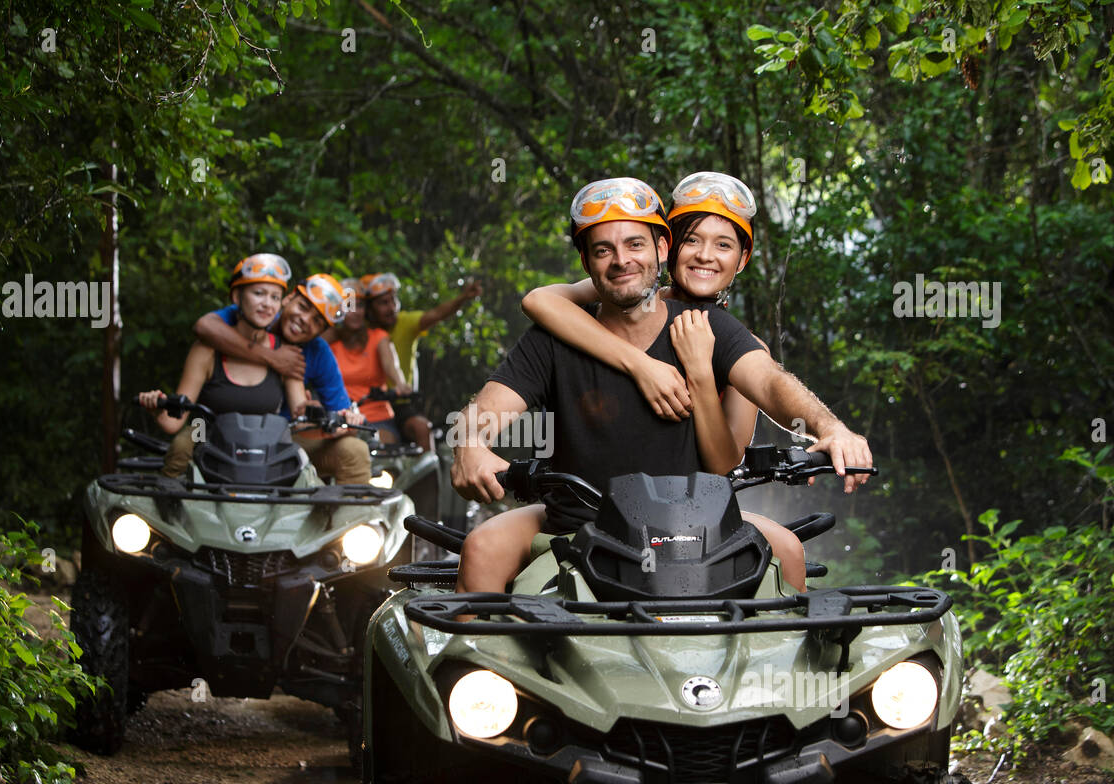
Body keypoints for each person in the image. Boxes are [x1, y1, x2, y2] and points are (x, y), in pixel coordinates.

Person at [451, 177, 872, 597]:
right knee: (481, 549)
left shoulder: (711, 330)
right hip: (579, 530)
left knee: (785, 564)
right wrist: (470, 443)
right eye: (603, 249)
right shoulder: (552, 339)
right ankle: (469, 664)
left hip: (697, 534)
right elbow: (488, 408)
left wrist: (828, 427)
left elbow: (768, 380)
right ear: (585, 261)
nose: (621, 260)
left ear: (660, 249)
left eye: (635, 244)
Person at [519, 171, 810, 590]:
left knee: (788, 549)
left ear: (742, 259)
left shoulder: (743, 347)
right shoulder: (629, 294)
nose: (705, 255)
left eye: (723, 245)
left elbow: (725, 464)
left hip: (694, 514)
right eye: (692, 240)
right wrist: (641, 363)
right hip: (596, 505)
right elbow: (539, 300)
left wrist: (701, 374)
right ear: (668, 246)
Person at [169, 266, 371, 484]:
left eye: (317, 322)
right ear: (289, 298)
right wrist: (273, 358)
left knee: (354, 449)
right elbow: (204, 326)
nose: (305, 320)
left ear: (322, 332)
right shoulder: (257, 313)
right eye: (303, 307)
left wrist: (343, 422)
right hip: (218, 431)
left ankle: (348, 517)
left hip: (284, 439)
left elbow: (306, 414)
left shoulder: (309, 355)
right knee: (184, 444)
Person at [355, 272, 483, 450]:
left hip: (402, 402)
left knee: (422, 428)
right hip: (369, 404)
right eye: (384, 303)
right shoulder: (359, 330)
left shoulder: (405, 322)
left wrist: (463, 298)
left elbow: (437, 314)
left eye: (393, 301)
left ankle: (430, 477)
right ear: (369, 308)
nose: (391, 307)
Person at [328, 280, 412, 445]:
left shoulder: (378, 337)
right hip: (341, 420)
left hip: (377, 418)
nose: (355, 312)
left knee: (377, 444)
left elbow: (390, 365)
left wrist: (400, 383)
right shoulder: (331, 343)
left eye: (359, 306)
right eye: (348, 306)